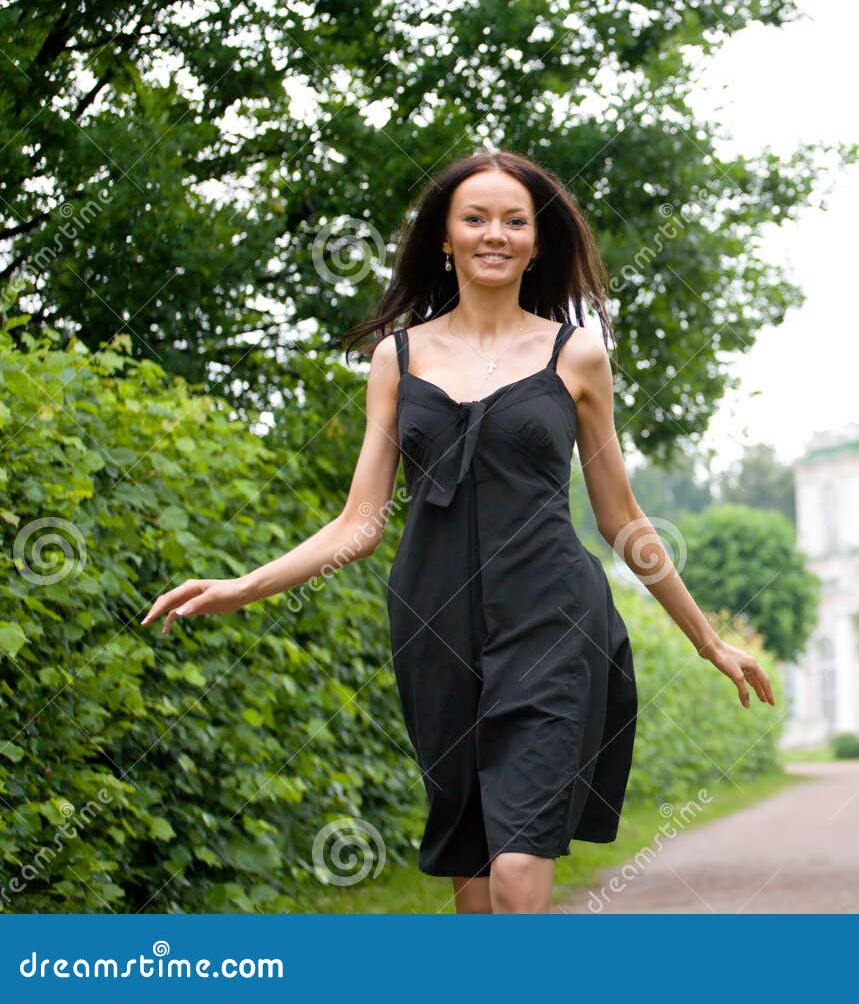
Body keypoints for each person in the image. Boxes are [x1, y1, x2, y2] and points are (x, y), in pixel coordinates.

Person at [143, 150, 776, 913]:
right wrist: (242, 585)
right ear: (445, 237)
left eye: (515, 220)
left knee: (516, 871)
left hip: (553, 619)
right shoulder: (396, 358)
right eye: (474, 218)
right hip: (434, 623)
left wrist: (707, 639)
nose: (495, 234)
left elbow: (621, 517)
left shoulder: (573, 354)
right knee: (473, 885)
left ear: (537, 243)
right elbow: (358, 522)